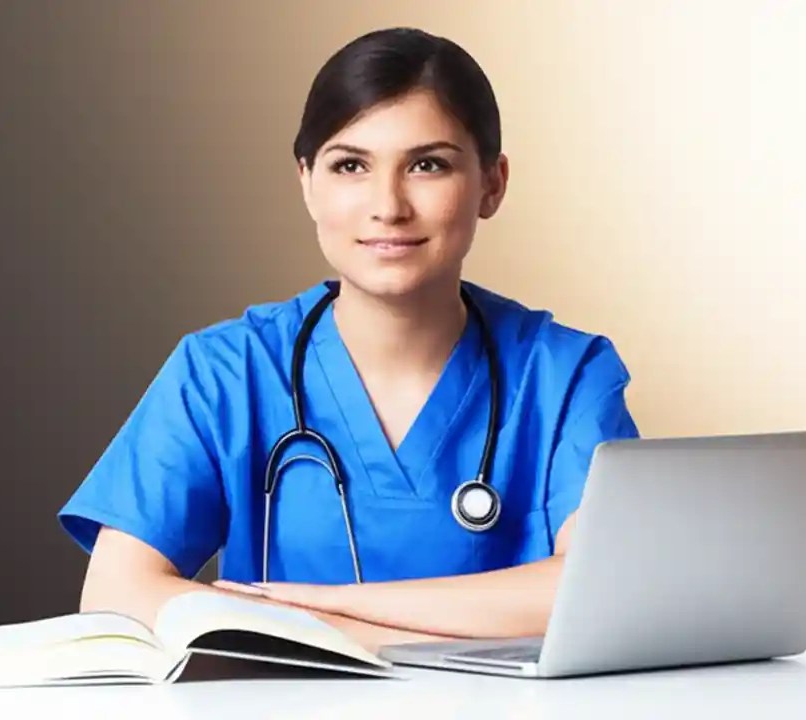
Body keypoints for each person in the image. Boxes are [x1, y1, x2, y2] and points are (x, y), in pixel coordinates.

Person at [57, 27, 639, 652]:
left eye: (428, 165)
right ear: (307, 182)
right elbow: (116, 594)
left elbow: (607, 591)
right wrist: (383, 632)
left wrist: (323, 609)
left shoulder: (565, 374)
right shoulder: (225, 372)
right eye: (351, 166)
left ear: (491, 184)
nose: (388, 206)